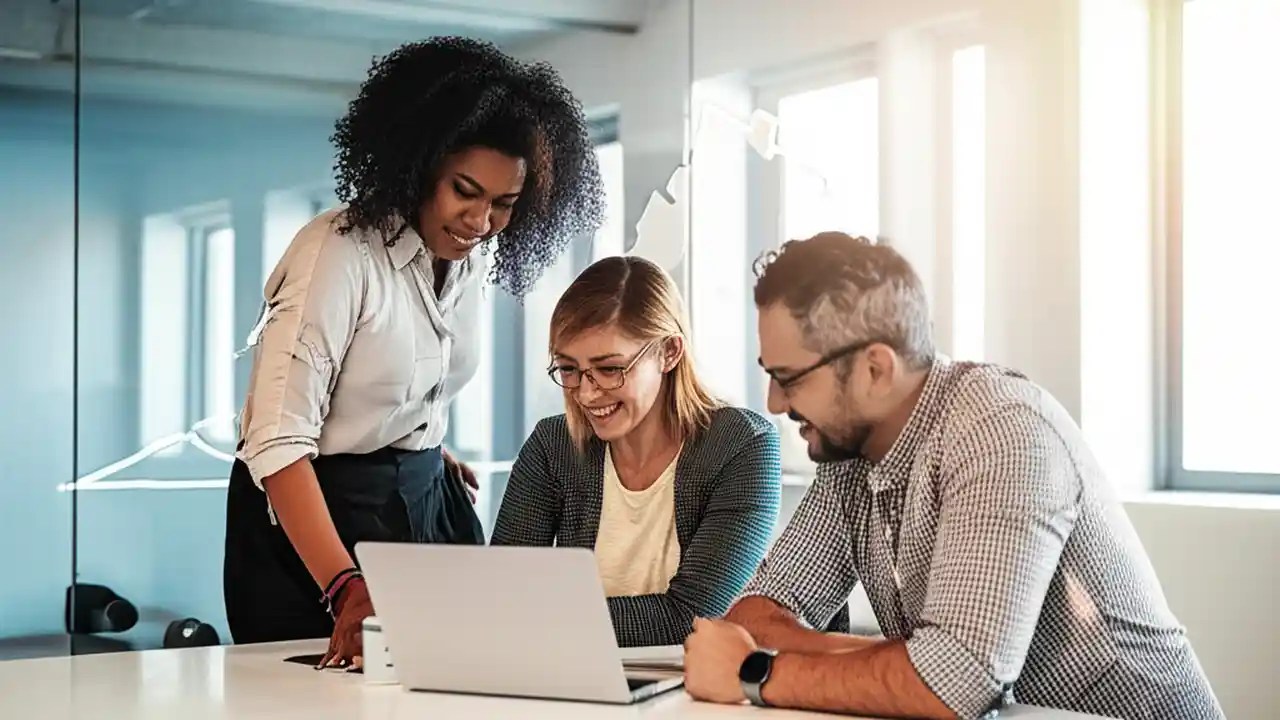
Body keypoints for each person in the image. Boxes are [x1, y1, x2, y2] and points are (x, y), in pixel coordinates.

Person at [683, 232, 1223, 719]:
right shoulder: (851, 454)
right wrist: (902, 662)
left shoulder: (1002, 430)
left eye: (788, 378)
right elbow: (756, 617)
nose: (774, 403)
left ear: (875, 370)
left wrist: (756, 674)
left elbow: (954, 685)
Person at [222, 36, 605, 669]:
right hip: (312, 521)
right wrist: (346, 585)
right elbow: (277, 440)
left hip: (422, 498)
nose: (481, 221)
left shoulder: (465, 260)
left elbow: (401, 377)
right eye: (465, 190)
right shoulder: (337, 256)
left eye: (504, 204)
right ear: (419, 162)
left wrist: (415, 441)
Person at [491, 256, 782, 647]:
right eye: (569, 369)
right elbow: (503, 597)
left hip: (703, 693)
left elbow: (692, 618)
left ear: (669, 352)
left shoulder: (744, 446)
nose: (586, 393)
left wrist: (541, 620)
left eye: (610, 369)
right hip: (579, 679)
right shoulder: (552, 446)